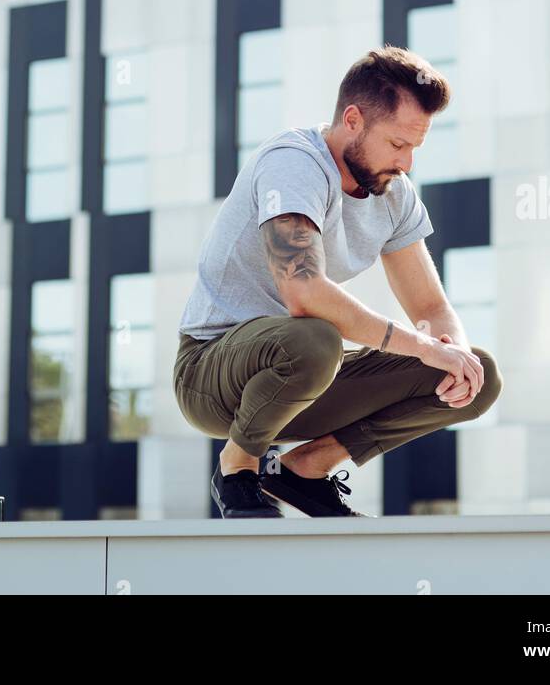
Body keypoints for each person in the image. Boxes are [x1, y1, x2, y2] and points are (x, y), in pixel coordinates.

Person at [173, 44, 503, 518]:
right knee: (315, 338)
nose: (407, 163)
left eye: (414, 147)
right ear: (352, 119)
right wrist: (424, 347)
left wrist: (455, 360)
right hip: (212, 375)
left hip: (301, 383)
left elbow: (431, 309)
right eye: (396, 144)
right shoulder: (294, 162)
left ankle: (305, 469)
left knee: (480, 373)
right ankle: (237, 465)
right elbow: (303, 289)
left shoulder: (393, 193)